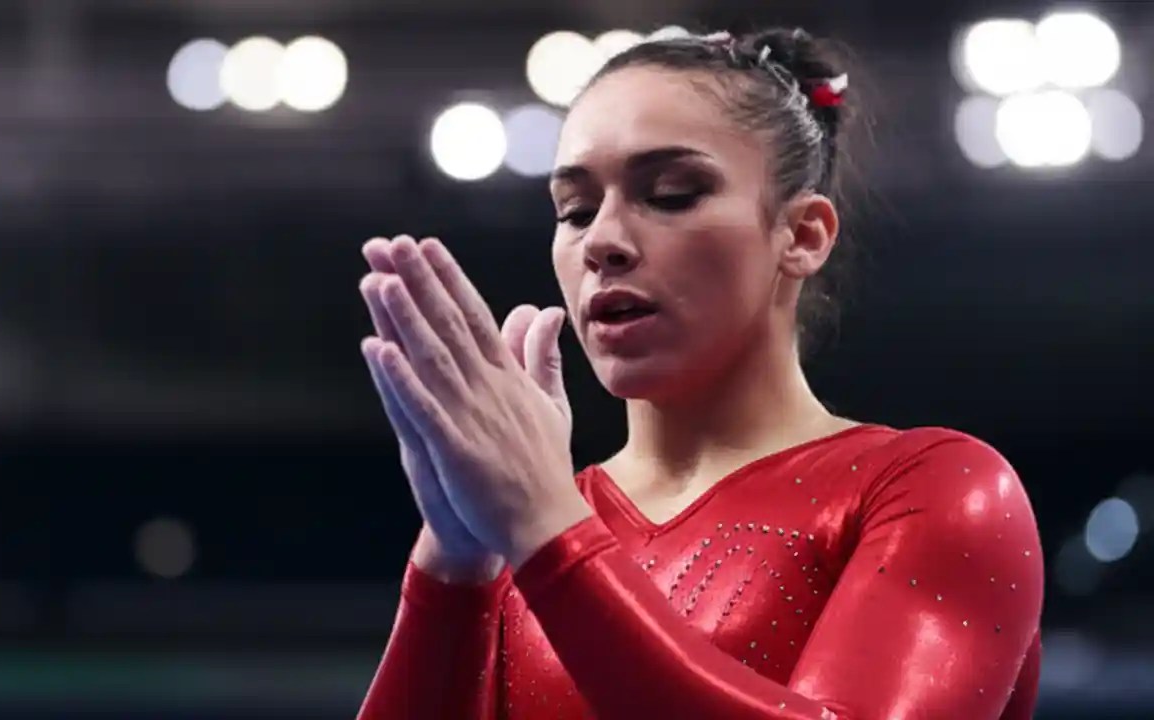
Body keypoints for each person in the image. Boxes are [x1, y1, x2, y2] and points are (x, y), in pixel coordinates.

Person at [354, 27, 1043, 720]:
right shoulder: (519, 532)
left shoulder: (938, 490)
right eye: (576, 210)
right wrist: (453, 560)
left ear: (801, 236)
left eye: (672, 194)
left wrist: (545, 531)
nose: (602, 242)